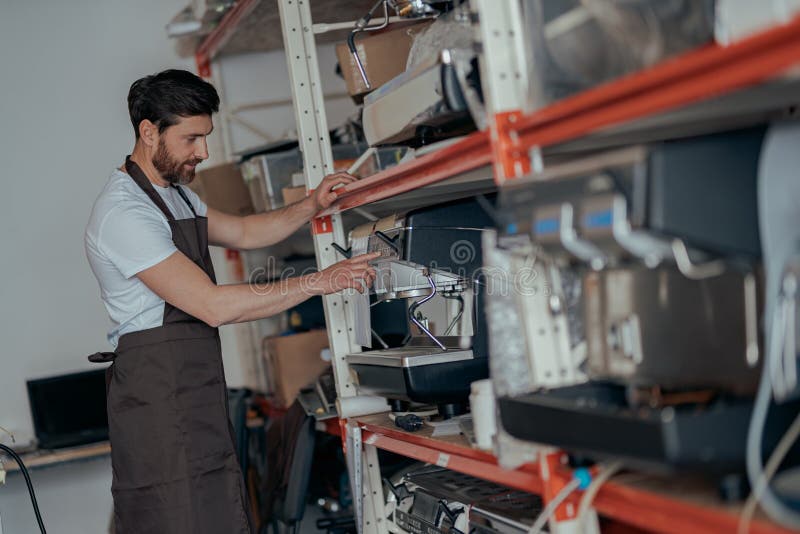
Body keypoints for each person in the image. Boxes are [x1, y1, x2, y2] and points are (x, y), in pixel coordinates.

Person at [84, 69, 377, 534]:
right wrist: (319, 282)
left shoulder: (176, 196)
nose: (203, 152)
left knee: (216, 511)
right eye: (192, 139)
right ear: (148, 131)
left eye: (207, 137)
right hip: (157, 401)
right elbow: (214, 306)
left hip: (192, 389)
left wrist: (311, 204)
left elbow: (244, 232)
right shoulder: (125, 212)